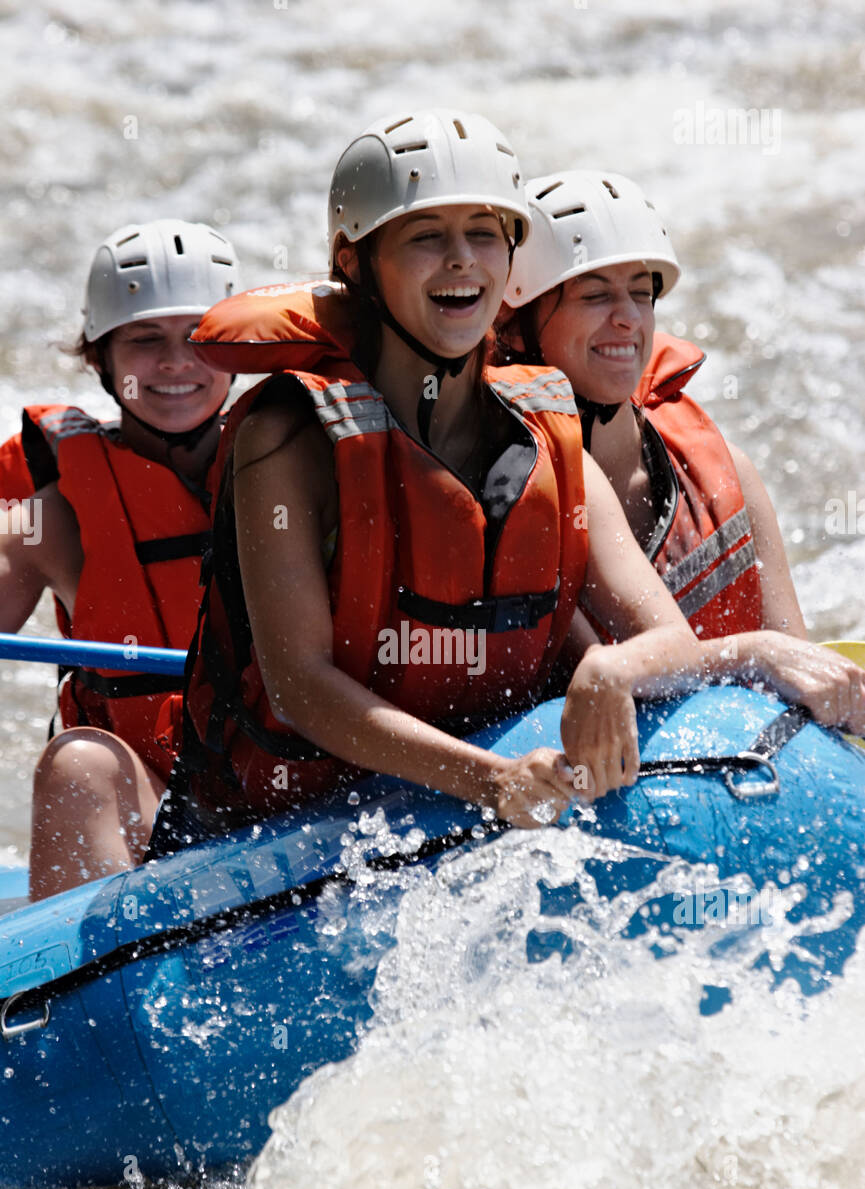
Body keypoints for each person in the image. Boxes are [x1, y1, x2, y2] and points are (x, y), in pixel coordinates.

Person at [146, 107, 754, 859]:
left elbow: (669, 641)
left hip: (480, 800)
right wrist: (489, 781)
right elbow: (301, 688)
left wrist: (609, 668)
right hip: (267, 837)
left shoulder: (548, 432)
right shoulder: (287, 438)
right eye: (427, 237)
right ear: (354, 261)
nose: (462, 259)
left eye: (484, 233)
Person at [498, 169, 865, 722]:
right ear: (519, 328)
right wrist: (753, 655)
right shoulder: (511, 495)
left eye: (640, 294)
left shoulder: (726, 473)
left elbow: (801, 664)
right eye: (595, 294)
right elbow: (598, 671)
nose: (627, 317)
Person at [0, 219, 240, 899]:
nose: (174, 363)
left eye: (198, 338)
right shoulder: (58, 514)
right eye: (144, 341)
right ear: (99, 358)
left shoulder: (299, 469)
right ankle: (83, 993)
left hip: (290, 787)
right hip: (156, 803)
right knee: (79, 765)